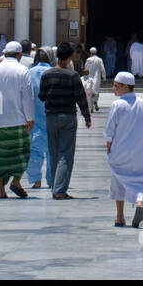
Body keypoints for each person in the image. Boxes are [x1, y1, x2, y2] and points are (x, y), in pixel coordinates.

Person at [0, 41, 35, 199]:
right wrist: (30, 117)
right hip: (18, 120)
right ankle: (16, 181)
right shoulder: (22, 70)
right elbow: (27, 96)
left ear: (4, 54)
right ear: (19, 55)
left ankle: (0, 190)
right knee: (22, 153)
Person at [39, 42, 92, 199]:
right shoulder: (73, 76)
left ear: (56, 56)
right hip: (67, 117)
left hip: (51, 117)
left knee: (54, 152)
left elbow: (41, 96)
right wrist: (87, 117)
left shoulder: (46, 74)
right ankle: (60, 190)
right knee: (65, 154)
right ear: (70, 58)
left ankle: (56, 186)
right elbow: (80, 98)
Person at [106, 71, 143, 228]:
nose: (113, 89)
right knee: (140, 180)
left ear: (126, 87)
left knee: (118, 180)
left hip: (120, 150)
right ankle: (139, 201)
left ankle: (120, 217)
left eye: (116, 86)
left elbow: (110, 130)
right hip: (139, 152)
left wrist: (109, 147)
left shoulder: (117, 105)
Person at [25, 47, 53, 190]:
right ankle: (51, 180)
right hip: (51, 117)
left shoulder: (29, 73)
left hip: (33, 117)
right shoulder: (54, 73)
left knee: (33, 150)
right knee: (52, 151)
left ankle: (36, 180)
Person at [82, 47, 105, 114]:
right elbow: (102, 69)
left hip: (89, 78)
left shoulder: (88, 59)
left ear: (90, 52)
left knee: (89, 93)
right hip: (97, 78)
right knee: (96, 92)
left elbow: (85, 69)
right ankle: (95, 101)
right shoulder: (99, 60)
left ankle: (91, 108)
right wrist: (104, 78)